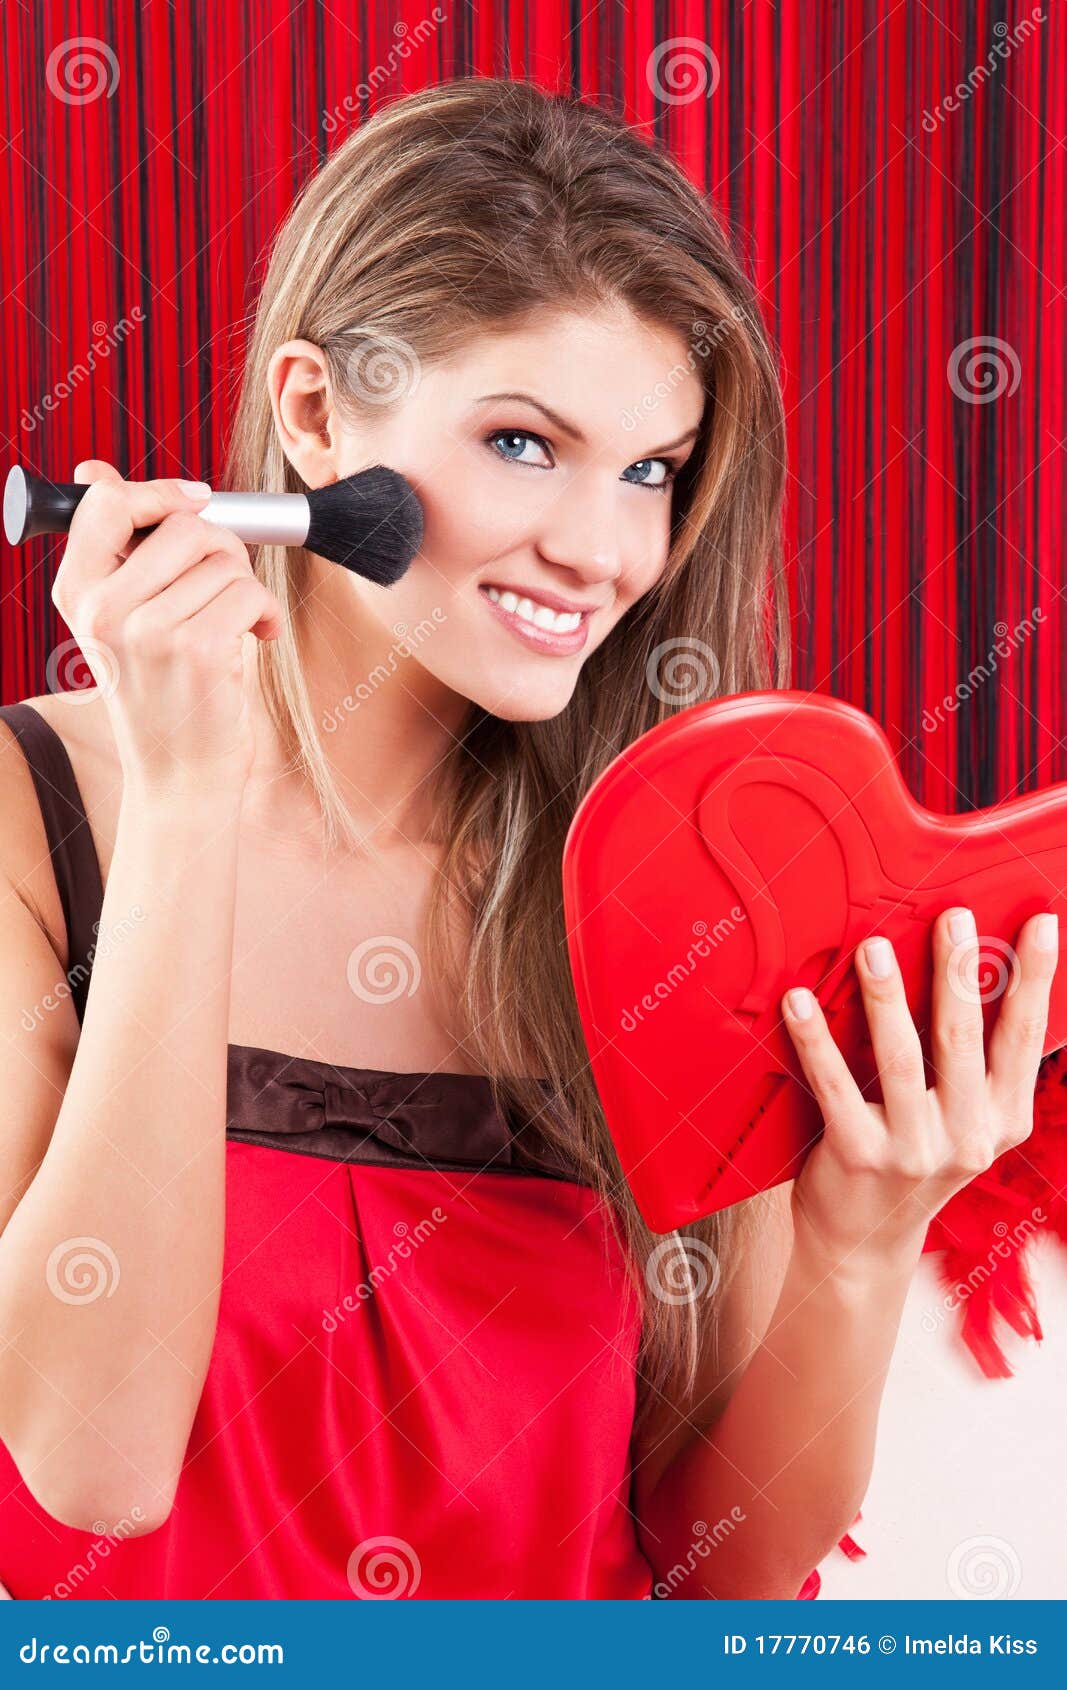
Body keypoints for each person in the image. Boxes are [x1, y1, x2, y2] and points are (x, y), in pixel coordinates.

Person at [0, 77, 1055, 1601]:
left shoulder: (684, 885)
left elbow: (727, 1574)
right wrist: (181, 798)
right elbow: (90, 1468)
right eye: (519, 441)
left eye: (653, 470)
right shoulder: (39, 820)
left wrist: (859, 1237)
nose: (603, 547)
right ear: (313, 413)